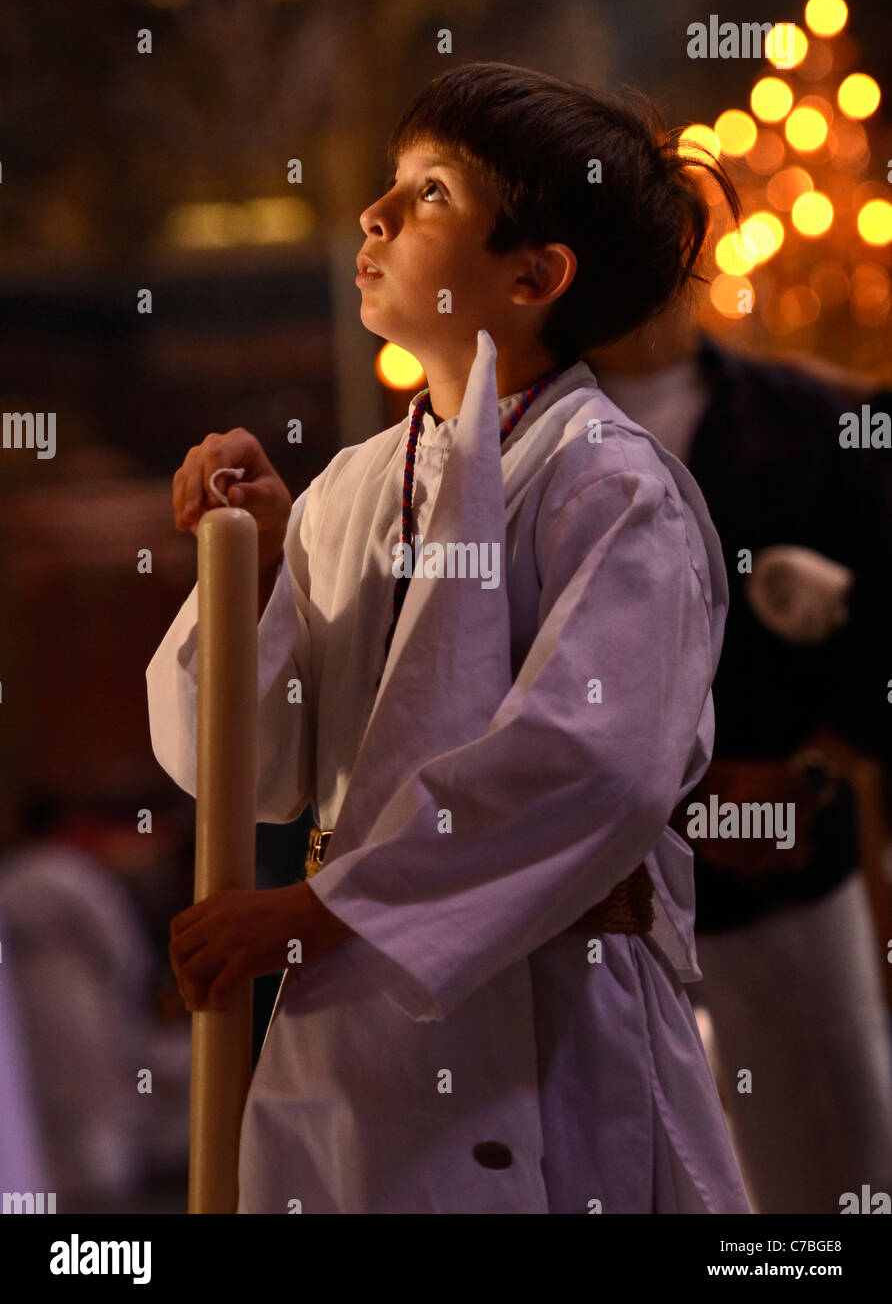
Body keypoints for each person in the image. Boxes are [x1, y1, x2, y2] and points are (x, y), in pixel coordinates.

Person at [146, 62, 751, 1214]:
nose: (373, 214)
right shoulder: (346, 490)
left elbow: (596, 763)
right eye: (390, 182)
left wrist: (330, 910)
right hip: (359, 1029)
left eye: (428, 193)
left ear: (535, 273)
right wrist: (258, 565)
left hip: (558, 1015)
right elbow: (254, 772)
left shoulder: (611, 489)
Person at [588, 302, 892, 1213]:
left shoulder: (811, 414)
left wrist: (808, 774)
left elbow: (885, 619)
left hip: (784, 861)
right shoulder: (523, 435)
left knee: (836, 1167)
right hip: (602, 885)